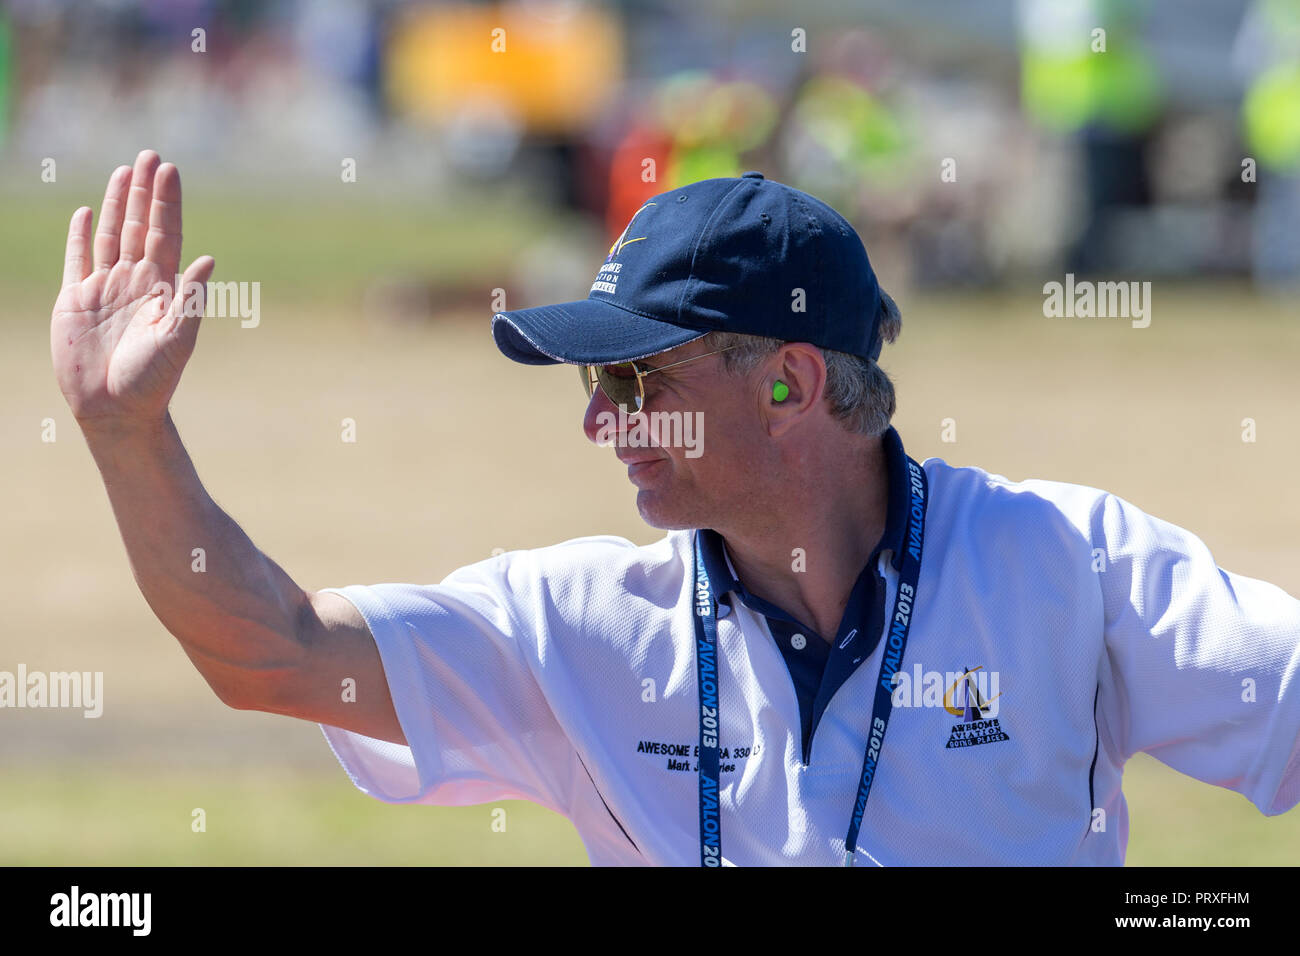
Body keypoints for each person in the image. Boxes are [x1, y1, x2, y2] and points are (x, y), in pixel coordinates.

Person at [52, 153, 1299, 866]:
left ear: (789, 380)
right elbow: (270, 649)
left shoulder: (1065, 562)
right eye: (596, 381)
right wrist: (125, 432)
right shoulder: (582, 620)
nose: (600, 420)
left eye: (635, 377)